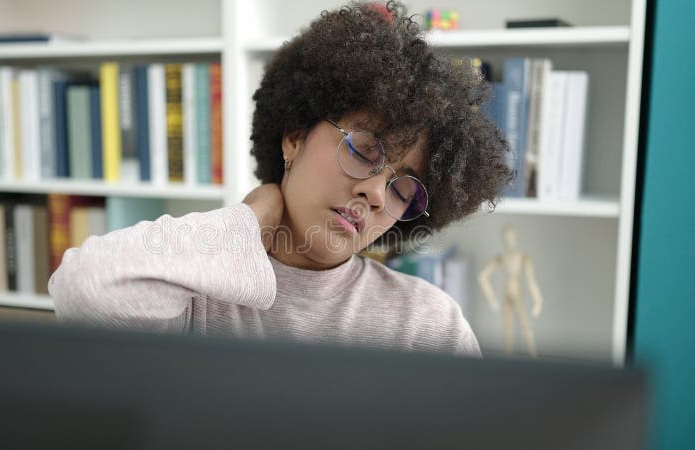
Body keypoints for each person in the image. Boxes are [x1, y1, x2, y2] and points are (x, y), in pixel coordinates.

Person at [49, 1, 514, 357]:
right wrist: (252, 217)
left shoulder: (424, 324)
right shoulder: (196, 297)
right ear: (293, 138)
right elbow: (84, 291)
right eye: (364, 149)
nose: (375, 193)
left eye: (402, 187)